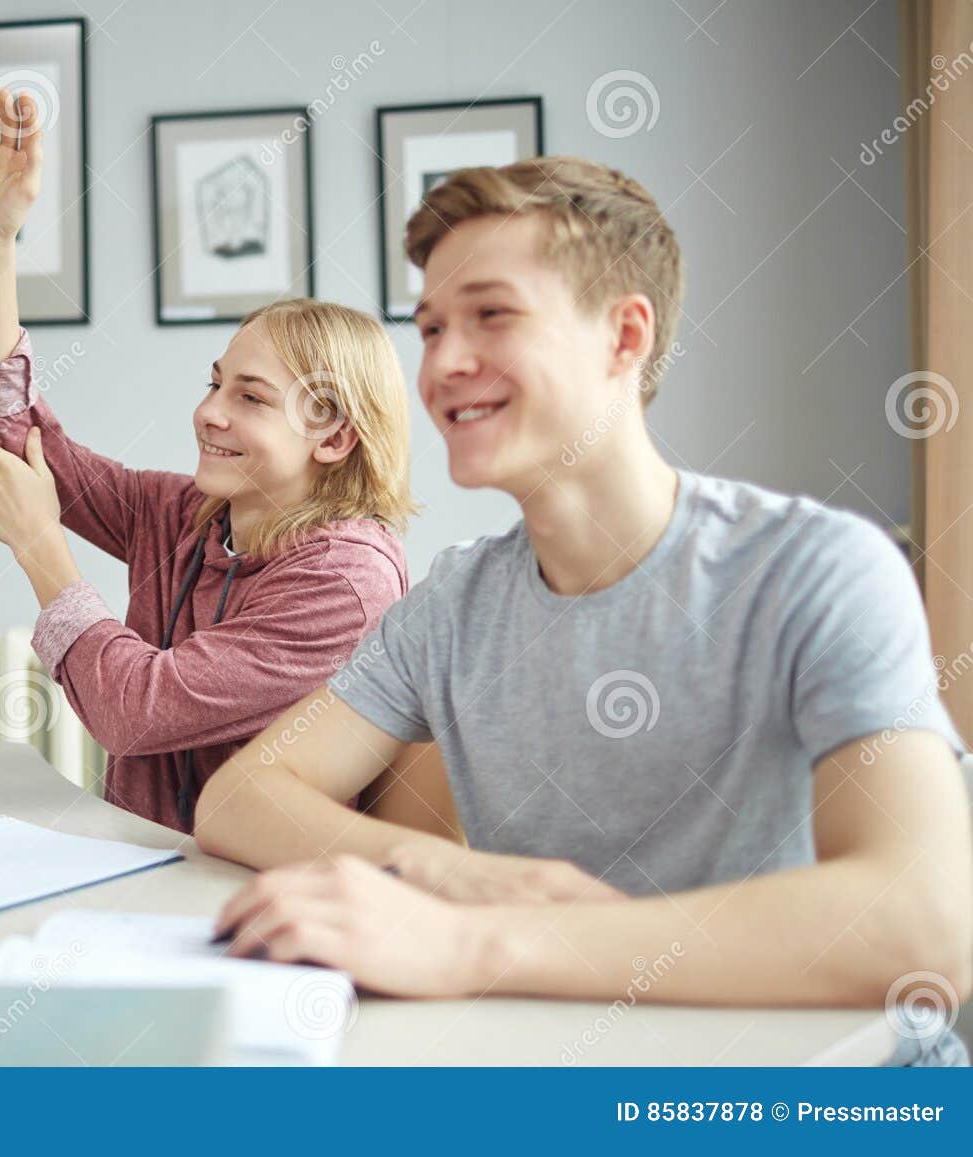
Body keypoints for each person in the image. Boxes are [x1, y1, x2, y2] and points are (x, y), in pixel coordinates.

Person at [195, 157, 972, 1061]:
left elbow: (926, 922)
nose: (444, 363)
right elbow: (240, 797)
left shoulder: (819, 569)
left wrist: (474, 940)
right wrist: (457, 874)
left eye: (492, 315)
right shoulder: (453, 604)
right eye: (432, 325)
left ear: (623, 337)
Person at [0, 91, 414, 831]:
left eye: (252, 398)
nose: (210, 412)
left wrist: (41, 545)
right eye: (214, 382)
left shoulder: (345, 580)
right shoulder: (185, 513)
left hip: (251, 902)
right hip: (148, 872)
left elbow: (136, 713)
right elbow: (12, 440)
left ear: (333, 438)